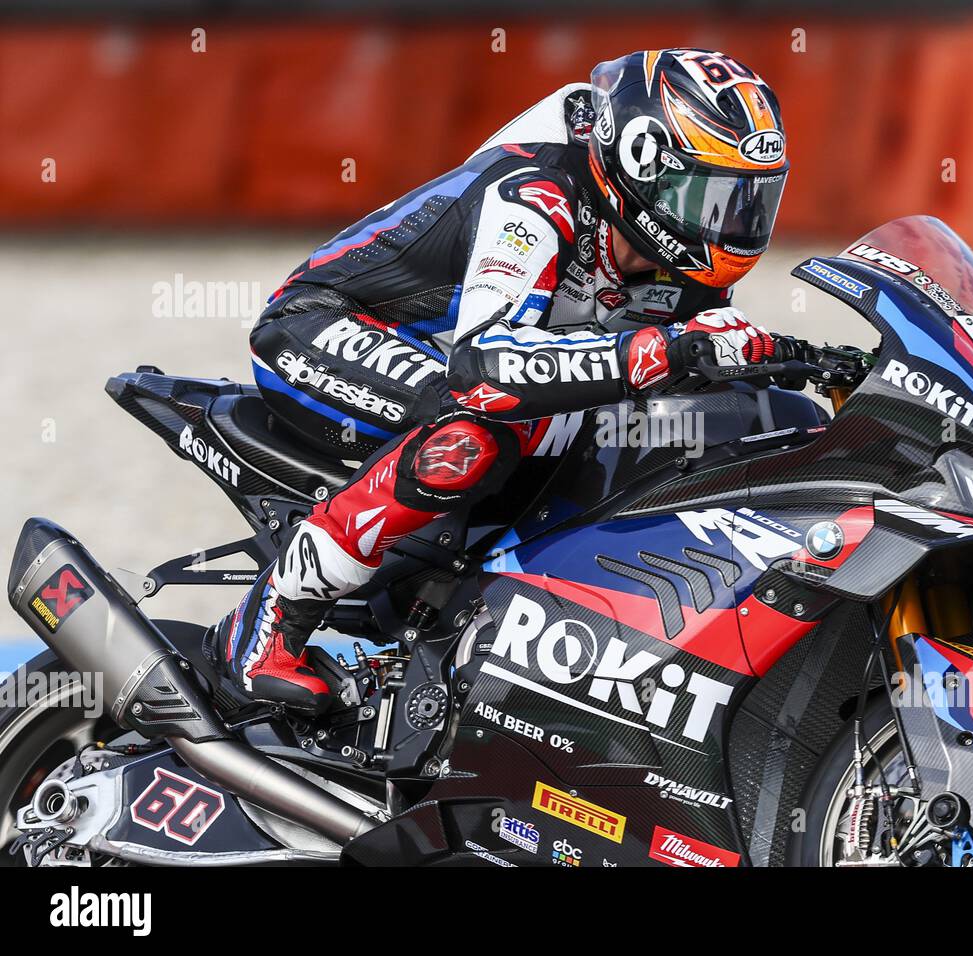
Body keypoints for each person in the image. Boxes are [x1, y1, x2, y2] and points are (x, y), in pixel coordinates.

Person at [215, 49, 792, 714]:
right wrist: (657, 350)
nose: (734, 225)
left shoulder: (669, 254)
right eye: (713, 196)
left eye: (752, 200)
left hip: (453, 354)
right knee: (475, 432)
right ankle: (266, 627)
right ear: (643, 162)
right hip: (322, 327)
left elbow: (710, 358)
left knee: (707, 410)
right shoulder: (535, 192)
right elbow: (486, 365)